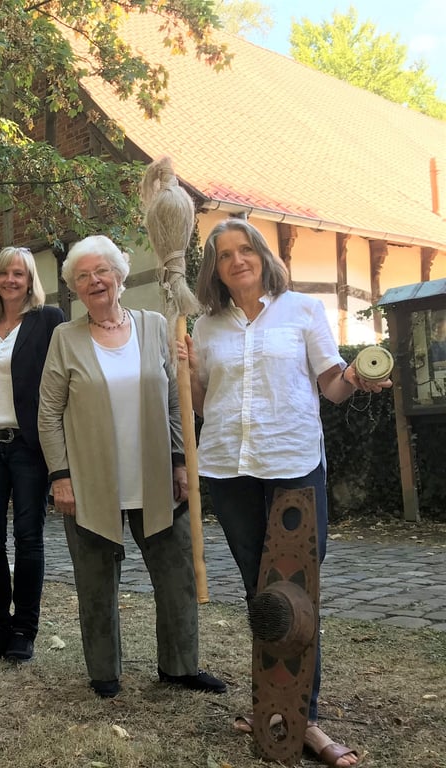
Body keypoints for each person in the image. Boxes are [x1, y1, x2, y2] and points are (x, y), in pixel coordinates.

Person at [184, 217, 390, 768]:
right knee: (261, 592)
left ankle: (306, 716)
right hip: (230, 468)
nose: (237, 261)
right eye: (224, 255)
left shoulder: (301, 310)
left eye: (244, 249)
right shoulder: (205, 327)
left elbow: (331, 386)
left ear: (262, 255)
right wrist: (188, 374)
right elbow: (203, 405)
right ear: (216, 270)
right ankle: (268, 704)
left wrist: (354, 374)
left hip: (293, 461)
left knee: (297, 591)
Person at [37, 235, 226, 701]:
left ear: (120, 276)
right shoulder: (65, 338)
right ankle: (104, 672)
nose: (94, 281)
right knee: (96, 582)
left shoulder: (153, 326)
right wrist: (59, 475)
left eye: (101, 271)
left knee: (177, 573)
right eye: (82, 276)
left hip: (156, 475)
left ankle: (180, 667)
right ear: (75, 289)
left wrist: (182, 460)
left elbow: (174, 399)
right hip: (90, 482)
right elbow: (48, 412)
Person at [0, 247, 64, 665]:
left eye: (19, 273)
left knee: (28, 539)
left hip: (28, 446)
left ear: (30, 280)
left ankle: (24, 629)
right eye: (4, 272)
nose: (11, 279)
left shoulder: (49, 320)